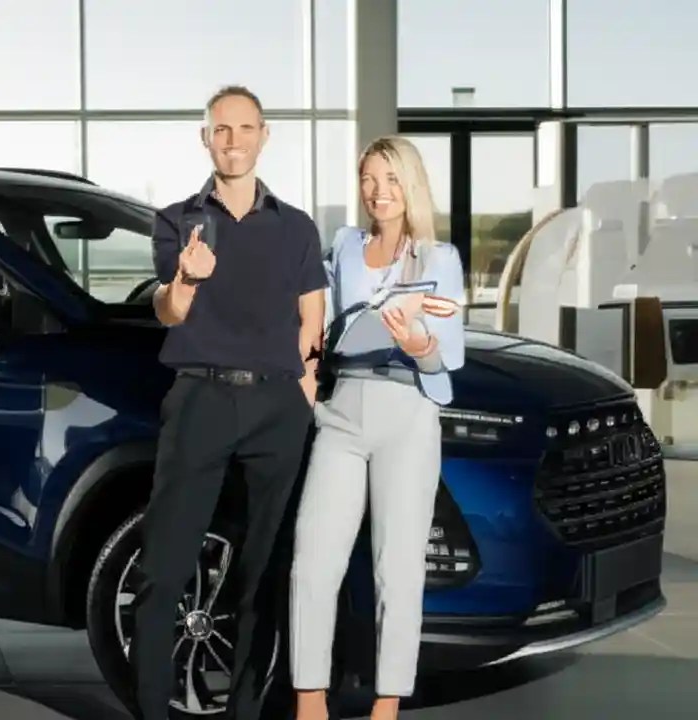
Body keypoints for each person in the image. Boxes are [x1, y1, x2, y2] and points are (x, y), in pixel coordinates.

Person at [132, 84, 327, 720]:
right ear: (205, 138)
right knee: (164, 569)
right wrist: (187, 278)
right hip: (201, 400)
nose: (233, 140)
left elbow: (312, 315)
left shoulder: (296, 226)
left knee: (264, 572)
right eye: (221, 129)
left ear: (264, 136)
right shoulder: (175, 221)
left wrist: (304, 391)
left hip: (278, 408)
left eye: (245, 128)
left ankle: (246, 709)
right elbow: (168, 311)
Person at [288, 135, 466, 720]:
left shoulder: (438, 260)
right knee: (313, 559)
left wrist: (418, 344)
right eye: (368, 178)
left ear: (411, 186)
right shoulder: (344, 246)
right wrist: (308, 377)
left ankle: (386, 705)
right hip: (342, 411)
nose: (378, 191)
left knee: (398, 567)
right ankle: (309, 700)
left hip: (407, 411)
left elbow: (446, 359)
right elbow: (315, 321)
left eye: (390, 179)